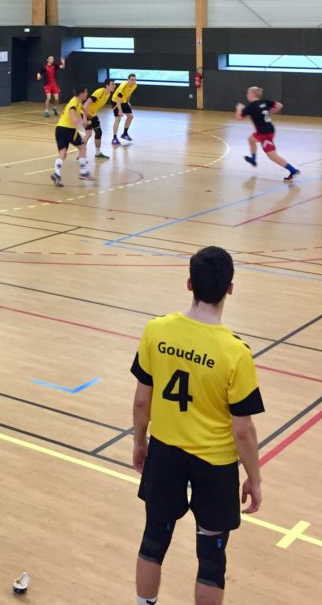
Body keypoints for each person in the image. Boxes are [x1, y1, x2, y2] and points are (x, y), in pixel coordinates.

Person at [130, 247, 265, 605]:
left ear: (189, 283)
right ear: (230, 289)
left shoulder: (157, 330)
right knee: (211, 558)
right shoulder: (236, 353)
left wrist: (139, 442)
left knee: (154, 539)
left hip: (165, 452)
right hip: (215, 465)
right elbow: (243, 431)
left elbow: (142, 400)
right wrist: (254, 476)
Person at [235, 87, 301, 182]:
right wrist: (269, 113)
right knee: (251, 139)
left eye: (248, 93)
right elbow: (279, 105)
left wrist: (239, 109)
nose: (247, 95)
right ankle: (253, 160)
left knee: (272, 156)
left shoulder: (251, 107)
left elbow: (239, 118)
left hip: (265, 134)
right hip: (267, 129)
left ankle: (293, 171)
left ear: (252, 94)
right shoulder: (265, 101)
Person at [50, 86, 95, 187]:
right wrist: (82, 121)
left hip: (59, 129)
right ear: (81, 93)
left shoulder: (77, 102)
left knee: (63, 153)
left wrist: (88, 116)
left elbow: (86, 112)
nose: (87, 94)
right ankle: (83, 172)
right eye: (86, 92)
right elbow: (73, 118)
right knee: (82, 147)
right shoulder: (74, 103)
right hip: (68, 129)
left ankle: (56, 173)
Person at [85, 79, 117, 160]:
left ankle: (98, 153)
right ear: (107, 85)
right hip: (87, 113)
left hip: (93, 114)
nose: (114, 86)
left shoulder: (108, 94)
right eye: (112, 84)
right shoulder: (100, 92)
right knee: (88, 134)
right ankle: (81, 154)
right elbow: (86, 104)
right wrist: (85, 117)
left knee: (98, 132)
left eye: (114, 84)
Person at [110, 74, 138, 146]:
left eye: (134, 79)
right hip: (116, 101)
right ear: (128, 80)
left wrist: (128, 101)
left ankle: (125, 133)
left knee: (130, 116)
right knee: (118, 119)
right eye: (132, 79)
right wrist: (120, 110)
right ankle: (114, 138)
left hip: (124, 101)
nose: (133, 81)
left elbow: (129, 93)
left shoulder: (135, 85)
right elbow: (118, 99)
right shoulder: (123, 87)